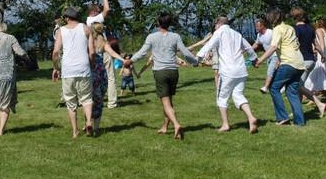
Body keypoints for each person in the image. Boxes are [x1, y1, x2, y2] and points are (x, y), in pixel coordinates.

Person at [128, 12, 199, 140]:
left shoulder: (151, 37)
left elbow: (142, 53)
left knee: (166, 103)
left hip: (160, 72)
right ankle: (165, 127)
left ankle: (176, 124)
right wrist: (195, 62)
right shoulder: (175, 36)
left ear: (158, 23)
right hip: (173, 72)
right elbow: (185, 52)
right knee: (169, 101)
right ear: (169, 23)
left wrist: (130, 60)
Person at [196, 16, 259, 133]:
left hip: (227, 72)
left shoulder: (219, 32)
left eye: (215, 25)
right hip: (241, 71)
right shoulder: (236, 34)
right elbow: (249, 48)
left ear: (218, 24)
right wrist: (254, 59)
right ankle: (251, 118)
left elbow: (209, 45)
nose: (215, 27)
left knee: (221, 98)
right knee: (238, 95)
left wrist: (198, 58)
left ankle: (225, 125)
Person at [254, 8, 307, 126]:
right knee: (292, 92)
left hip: (289, 63)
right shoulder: (290, 27)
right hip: (299, 63)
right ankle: (300, 122)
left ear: (271, 19)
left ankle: (282, 117)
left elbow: (273, 47)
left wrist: (260, 60)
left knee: (273, 88)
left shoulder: (277, 29)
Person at [52, 6, 95, 138]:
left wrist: (56, 68)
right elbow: (92, 52)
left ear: (66, 18)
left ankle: (75, 131)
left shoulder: (61, 31)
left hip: (68, 69)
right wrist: (91, 65)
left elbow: (56, 52)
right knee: (86, 99)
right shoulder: (86, 29)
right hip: (83, 68)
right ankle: (88, 122)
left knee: (71, 102)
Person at [89, 22, 125, 135]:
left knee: (88, 100)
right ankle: (96, 127)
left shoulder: (86, 42)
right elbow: (113, 53)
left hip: (90, 72)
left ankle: (88, 123)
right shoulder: (102, 42)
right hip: (101, 74)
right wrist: (124, 60)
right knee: (99, 101)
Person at [303, 21, 326, 117]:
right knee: (322, 82)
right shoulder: (325, 30)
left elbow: (322, 43)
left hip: (324, 55)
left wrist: (322, 54)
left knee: (322, 82)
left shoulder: (318, 30)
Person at [291, 7, 319, 109]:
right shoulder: (310, 29)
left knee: (296, 86)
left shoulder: (295, 29)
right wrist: (323, 55)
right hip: (311, 60)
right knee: (299, 86)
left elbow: (295, 45)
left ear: (294, 17)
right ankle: (298, 111)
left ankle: (318, 102)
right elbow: (316, 44)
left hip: (302, 61)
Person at [252, 17, 278, 94]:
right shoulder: (259, 35)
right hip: (268, 56)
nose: (256, 28)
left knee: (270, 72)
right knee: (274, 73)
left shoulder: (270, 32)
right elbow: (256, 44)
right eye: (255, 26)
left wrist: (280, 59)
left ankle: (265, 87)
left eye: (257, 26)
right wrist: (248, 50)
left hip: (275, 55)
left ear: (262, 26)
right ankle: (276, 88)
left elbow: (278, 44)